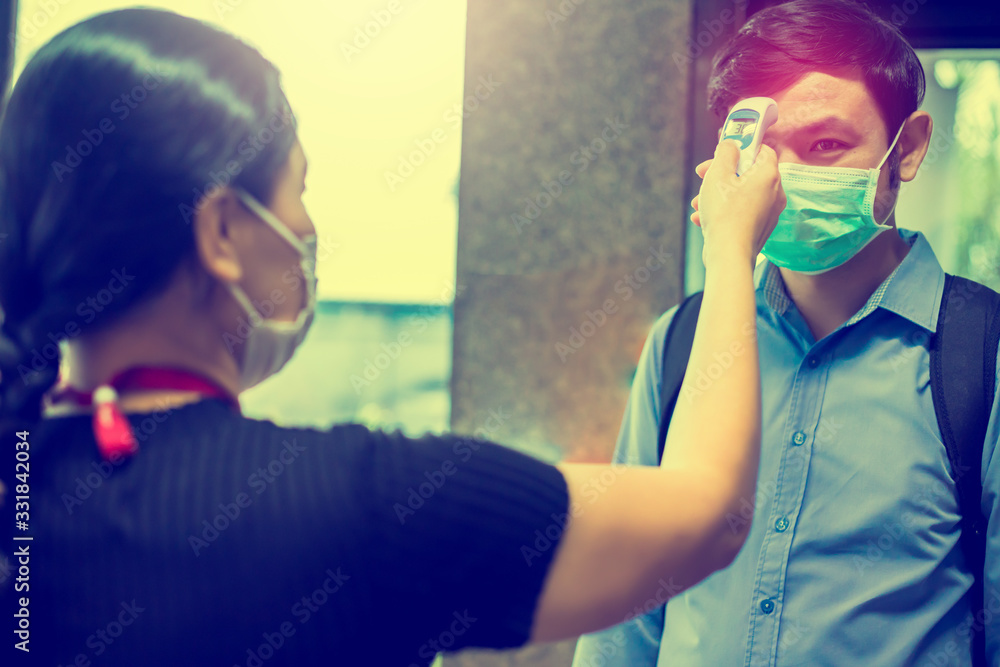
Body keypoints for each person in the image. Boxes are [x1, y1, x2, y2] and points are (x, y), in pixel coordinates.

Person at [0, 8, 783, 666]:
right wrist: (728, 246)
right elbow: (708, 510)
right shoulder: (362, 501)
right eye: (298, 188)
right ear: (224, 232)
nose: (307, 228)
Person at [573, 1, 1000, 666]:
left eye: (827, 146)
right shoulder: (681, 341)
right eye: (764, 152)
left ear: (907, 149)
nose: (785, 179)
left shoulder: (981, 353)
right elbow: (624, 617)